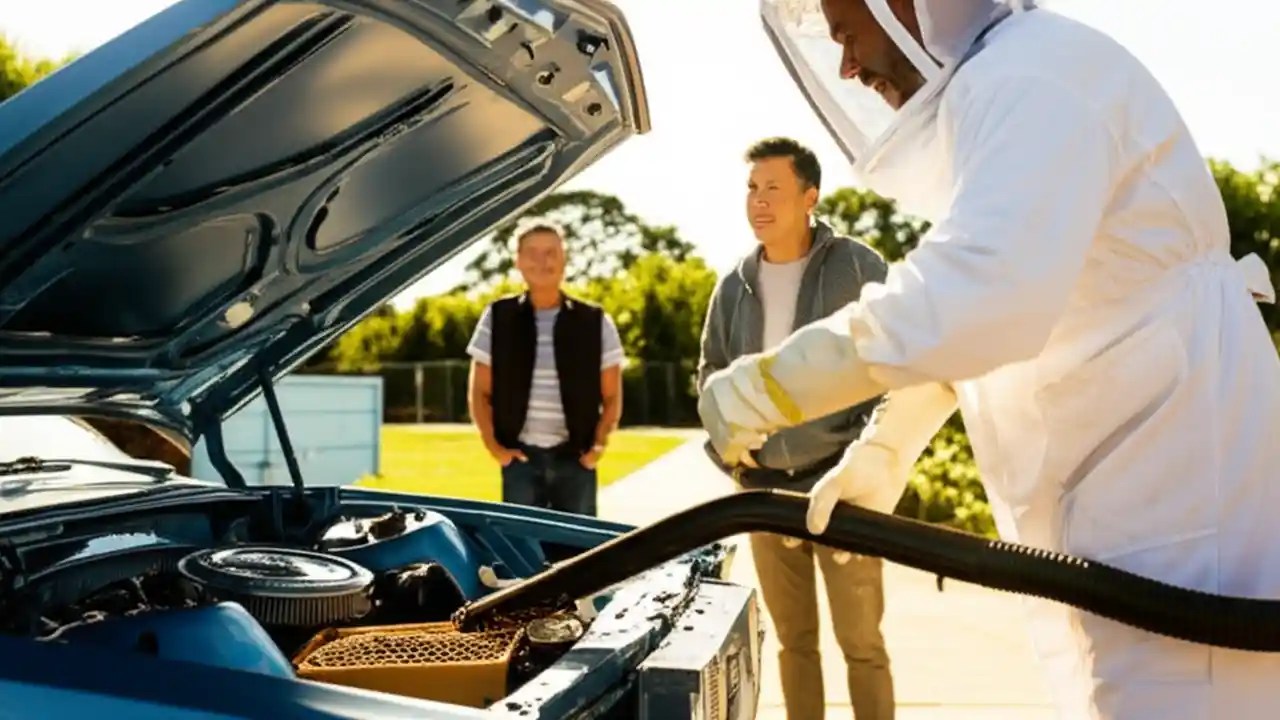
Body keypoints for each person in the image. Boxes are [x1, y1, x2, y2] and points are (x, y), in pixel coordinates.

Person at [699, 1, 1280, 718]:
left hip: (1179, 514)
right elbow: (1006, 302)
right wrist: (889, 445)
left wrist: (771, 386)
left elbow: (981, 292)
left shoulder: (1032, 76)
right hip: (1140, 506)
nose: (847, 64)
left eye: (848, 31)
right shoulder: (1008, 79)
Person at [697, 136, 894, 720]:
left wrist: (862, 455)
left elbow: (896, 359)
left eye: (773, 188)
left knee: (862, 643)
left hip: (844, 491)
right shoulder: (733, 284)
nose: (758, 201)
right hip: (764, 494)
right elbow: (709, 375)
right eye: (752, 188)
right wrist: (732, 457)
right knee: (794, 643)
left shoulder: (858, 266)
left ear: (810, 197)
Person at [466, 217, 624, 518]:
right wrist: (495, 449)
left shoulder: (595, 321)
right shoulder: (497, 317)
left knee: (580, 555)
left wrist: (598, 447)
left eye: (551, 251)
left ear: (564, 259)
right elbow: (478, 392)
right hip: (520, 461)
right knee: (523, 556)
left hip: (576, 460)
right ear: (518, 261)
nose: (543, 261)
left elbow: (613, 396)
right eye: (533, 252)